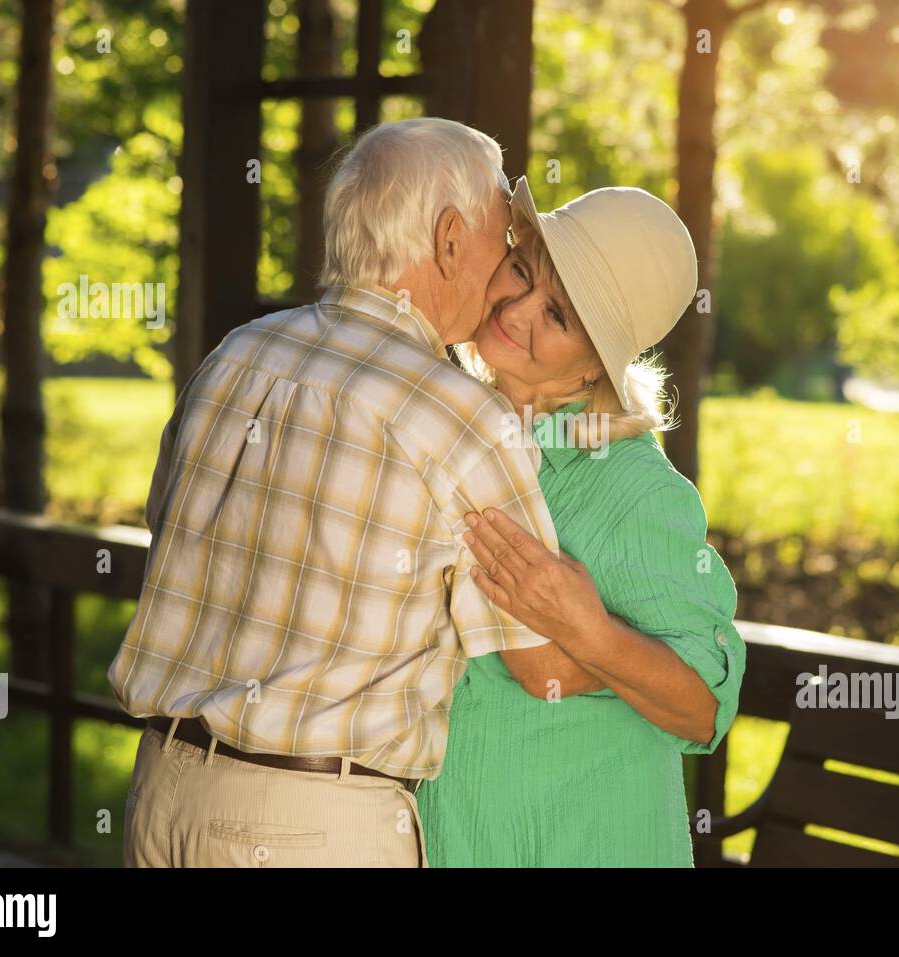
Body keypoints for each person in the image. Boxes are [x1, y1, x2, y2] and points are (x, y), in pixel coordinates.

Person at [107, 118, 563, 867]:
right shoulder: (459, 415)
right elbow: (541, 664)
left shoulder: (235, 356)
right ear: (450, 240)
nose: (511, 257)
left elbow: (171, 526)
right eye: (503, 236)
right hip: (311, 825)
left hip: (162, 793)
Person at [415, 176, 747, 866]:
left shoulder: (633, 487)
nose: (517, 308)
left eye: (559, 315)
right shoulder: (457, 424)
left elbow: (704, 709)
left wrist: (588, 632)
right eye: (523, 269)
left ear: (596, 363)